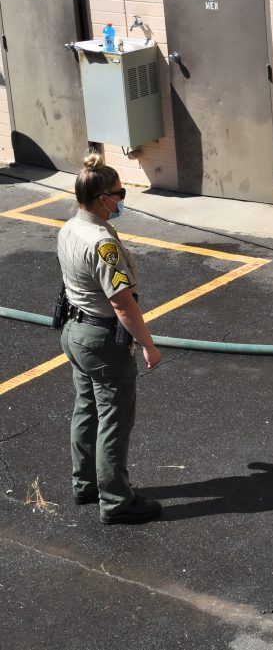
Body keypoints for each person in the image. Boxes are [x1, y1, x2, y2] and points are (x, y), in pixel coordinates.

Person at [56, 152, 162, 524]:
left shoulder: (70, 227)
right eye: (120, 194)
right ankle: (116, 500)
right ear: (103, 199)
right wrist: (147, 344)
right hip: (102, 341)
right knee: (114, 419)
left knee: (86, 410)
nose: (121, 201)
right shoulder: (102, 243)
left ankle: (85, 484)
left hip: (75, 332)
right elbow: (122, 303)